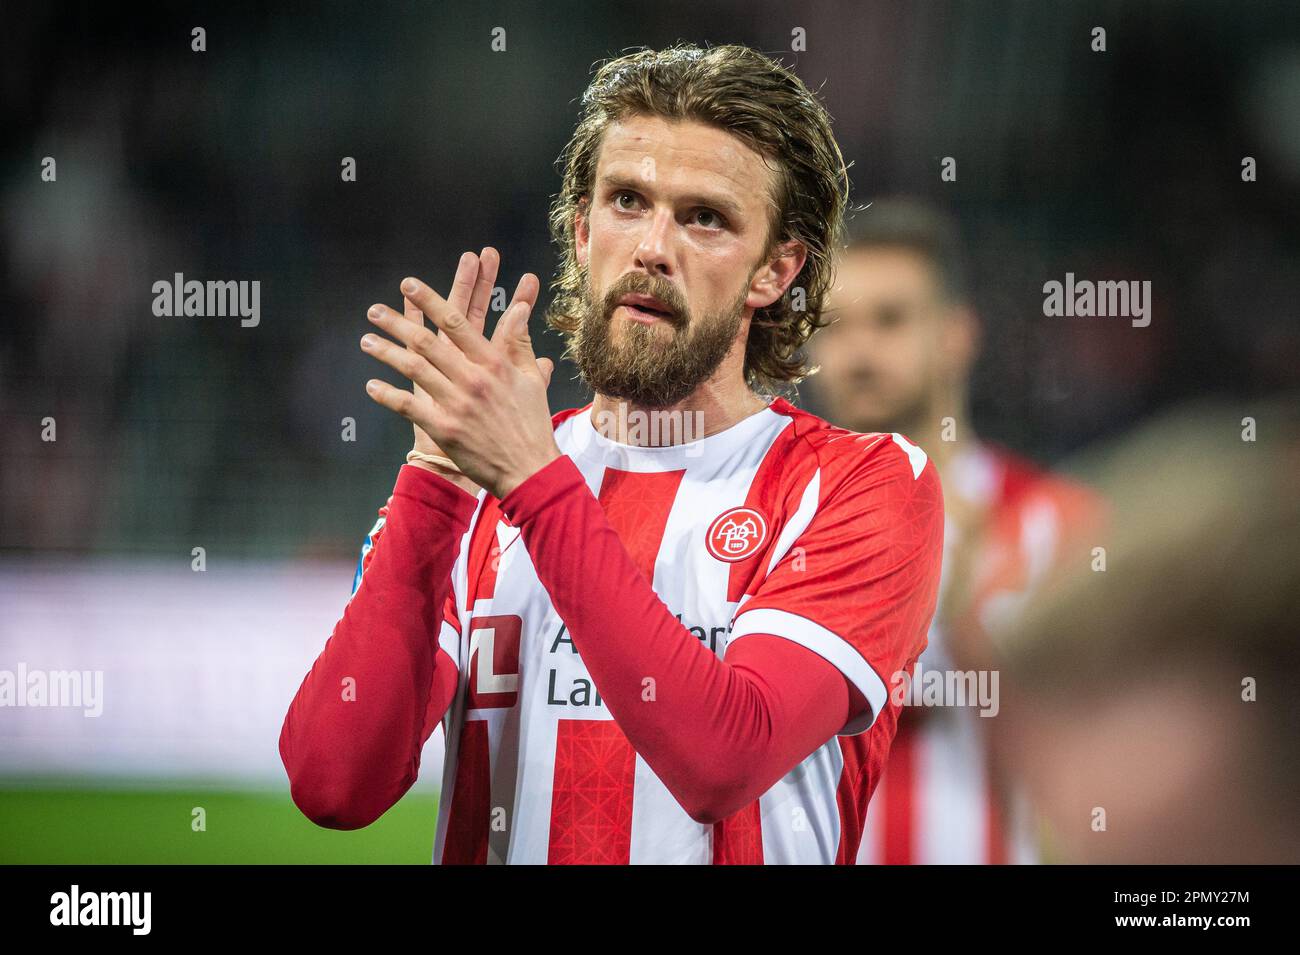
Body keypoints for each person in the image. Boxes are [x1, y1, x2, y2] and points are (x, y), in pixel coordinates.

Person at [280, 45, 944, 865]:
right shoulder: (479, 486)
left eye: (705, 217)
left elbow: (724, 758)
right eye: (628, 201)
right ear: (582, 229)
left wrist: (532, 483)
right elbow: (332, 784)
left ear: (776, 270)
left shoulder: (858, 483)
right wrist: (435, 483)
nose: (653, 246)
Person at [809, 199, 1098, 863]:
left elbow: (1104, 753)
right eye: (834, 325)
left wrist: (962, 616)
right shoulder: (775, 528)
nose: (858, 350)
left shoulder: (1060, 524)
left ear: (957, 334)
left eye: (890, 319)